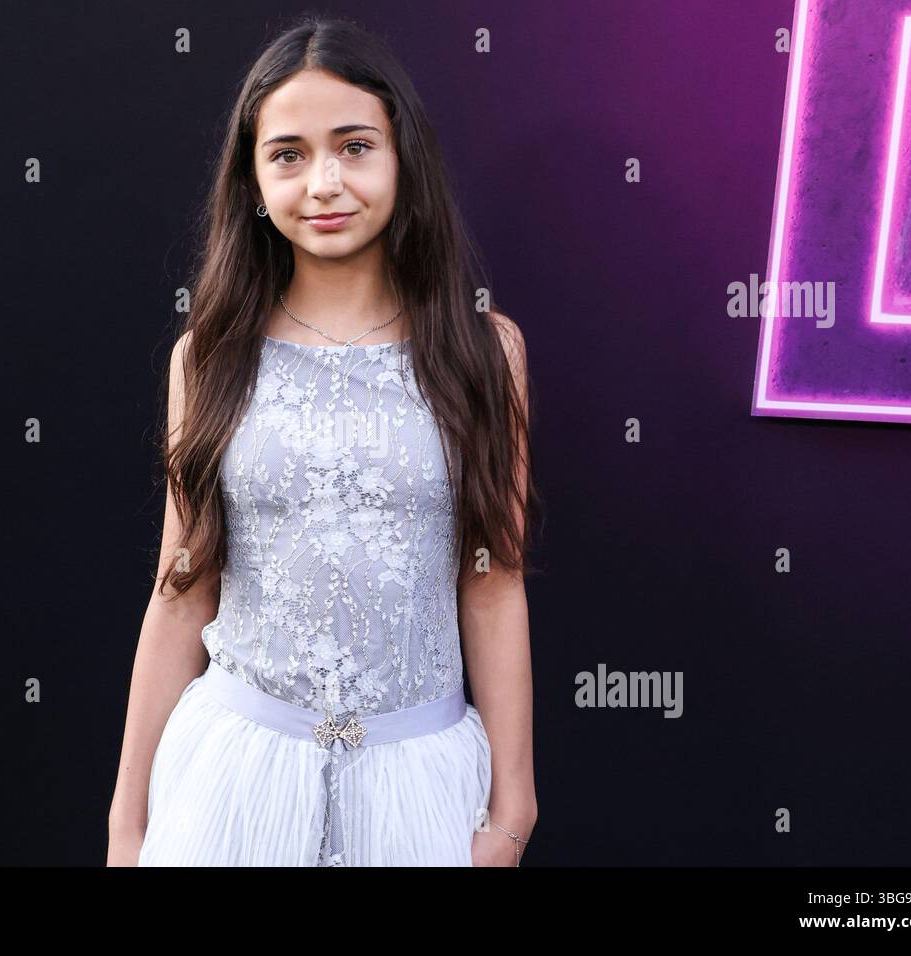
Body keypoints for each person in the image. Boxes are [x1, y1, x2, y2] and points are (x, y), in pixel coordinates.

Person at [107, 15, 541, 867]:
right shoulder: (209, 357)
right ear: (254, 181)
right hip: (233, 776)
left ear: (401, 158)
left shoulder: (486, 353)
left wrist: (512, 810)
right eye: (289, 155)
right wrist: (128, 825)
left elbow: (493, 585)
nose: (324, 183)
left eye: (353, 146)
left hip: (417, 780)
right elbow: (181, 592)